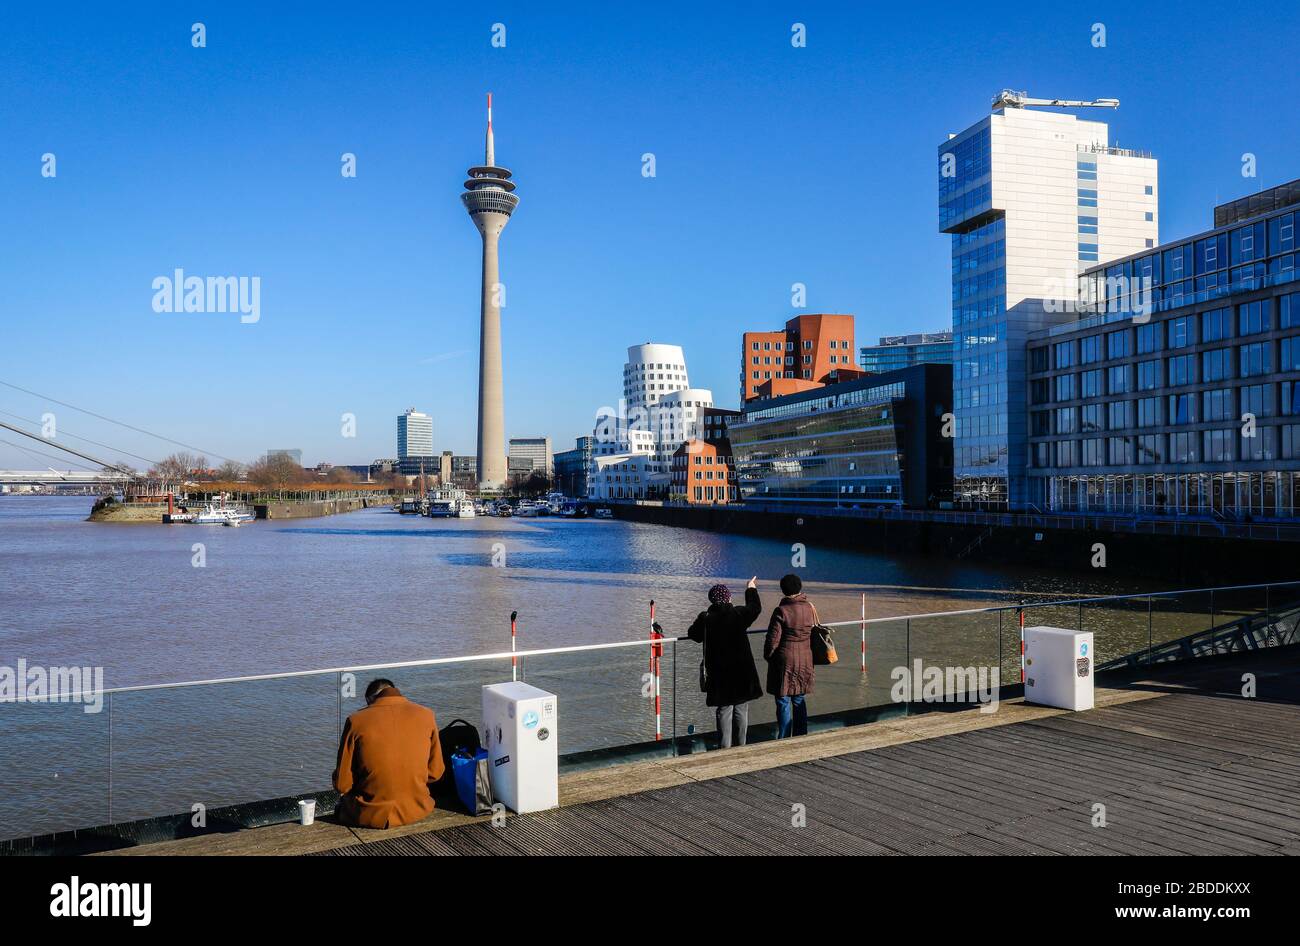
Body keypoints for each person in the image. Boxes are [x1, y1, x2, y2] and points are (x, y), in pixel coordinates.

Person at [332, 678, 445, 829]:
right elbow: (435, 772)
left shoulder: (356, 721)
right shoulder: (427, 714)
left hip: (371, 813)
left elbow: (342, 785)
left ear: (370, 699)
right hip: (418, 808)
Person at [687, 576, 764, 748]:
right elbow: (755, 608)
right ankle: (741, 746)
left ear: (712, 600)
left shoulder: (706, 618)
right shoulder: (738, 614)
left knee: (724, 709)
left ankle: (724, 748)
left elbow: (693, 635)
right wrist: (750, 588)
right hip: (741, 671)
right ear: (729, 598)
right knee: (741, 708)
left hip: (719, 673)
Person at [764, 573, 815, 738]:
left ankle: (784, 737)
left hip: (785, 660)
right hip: (805, 658)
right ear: (800, 588)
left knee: (783, 699)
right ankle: (801, 735)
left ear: (783, 590)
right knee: (799, 698)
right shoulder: (810, 607)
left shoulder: (781, 611)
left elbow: (773, 640)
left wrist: (769, 656)